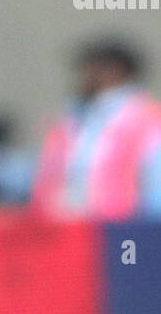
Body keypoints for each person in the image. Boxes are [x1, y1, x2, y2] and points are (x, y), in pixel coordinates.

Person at [32, 40, 161, 218]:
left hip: (123, 229)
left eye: (91, 69)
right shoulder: (74, 116)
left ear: (114, 71)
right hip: (66, 226)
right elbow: (49, 171)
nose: (85, 77)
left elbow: (155, 182)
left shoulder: (147, 117)